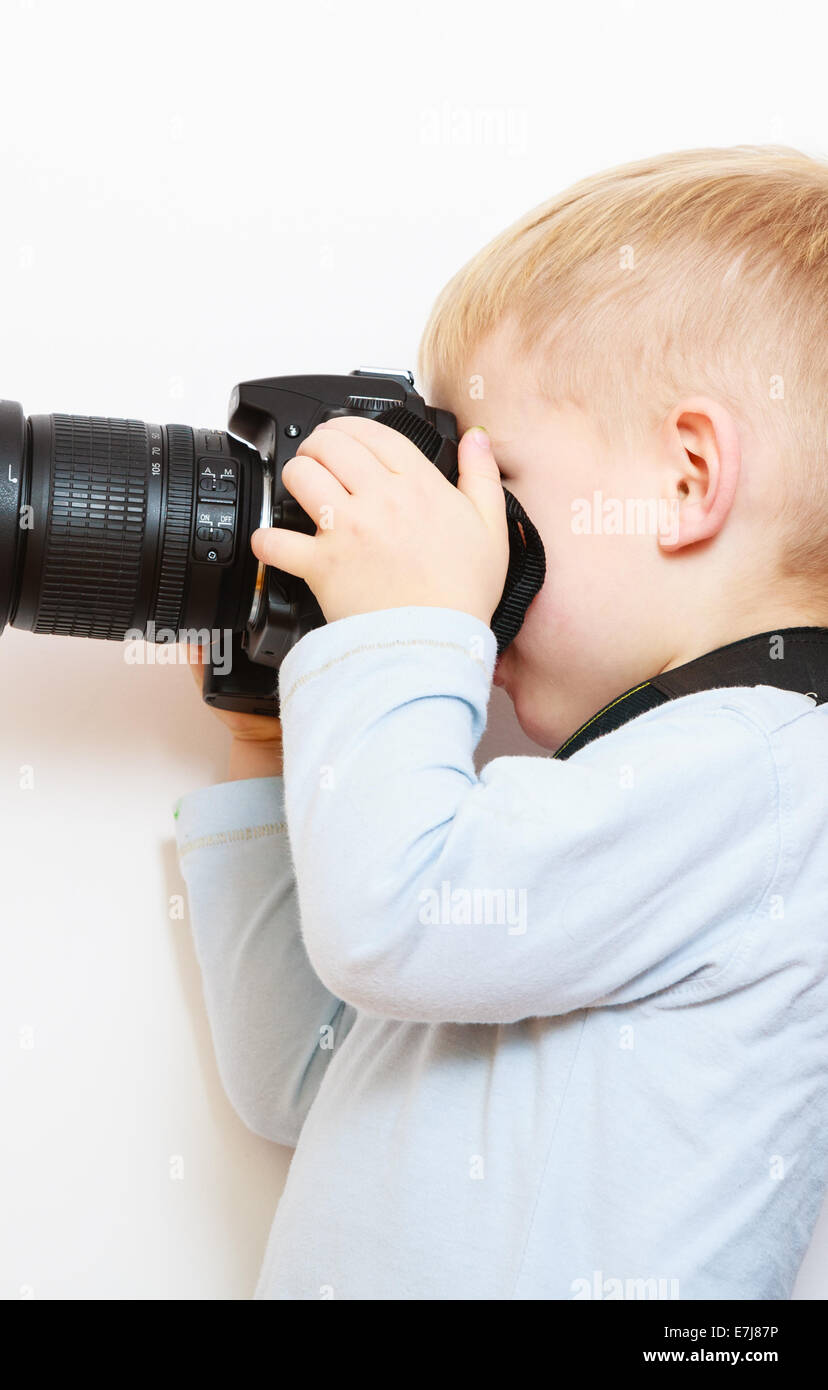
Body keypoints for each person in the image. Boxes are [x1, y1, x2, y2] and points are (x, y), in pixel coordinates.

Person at [176, 146, 828, 1299]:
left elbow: (394, 918)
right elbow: (307, 1073)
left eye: (496, 487)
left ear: (686, 478)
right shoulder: (601, 813)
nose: (465, 540)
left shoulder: (768, 775)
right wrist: (273, 745)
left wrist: (402, 629)